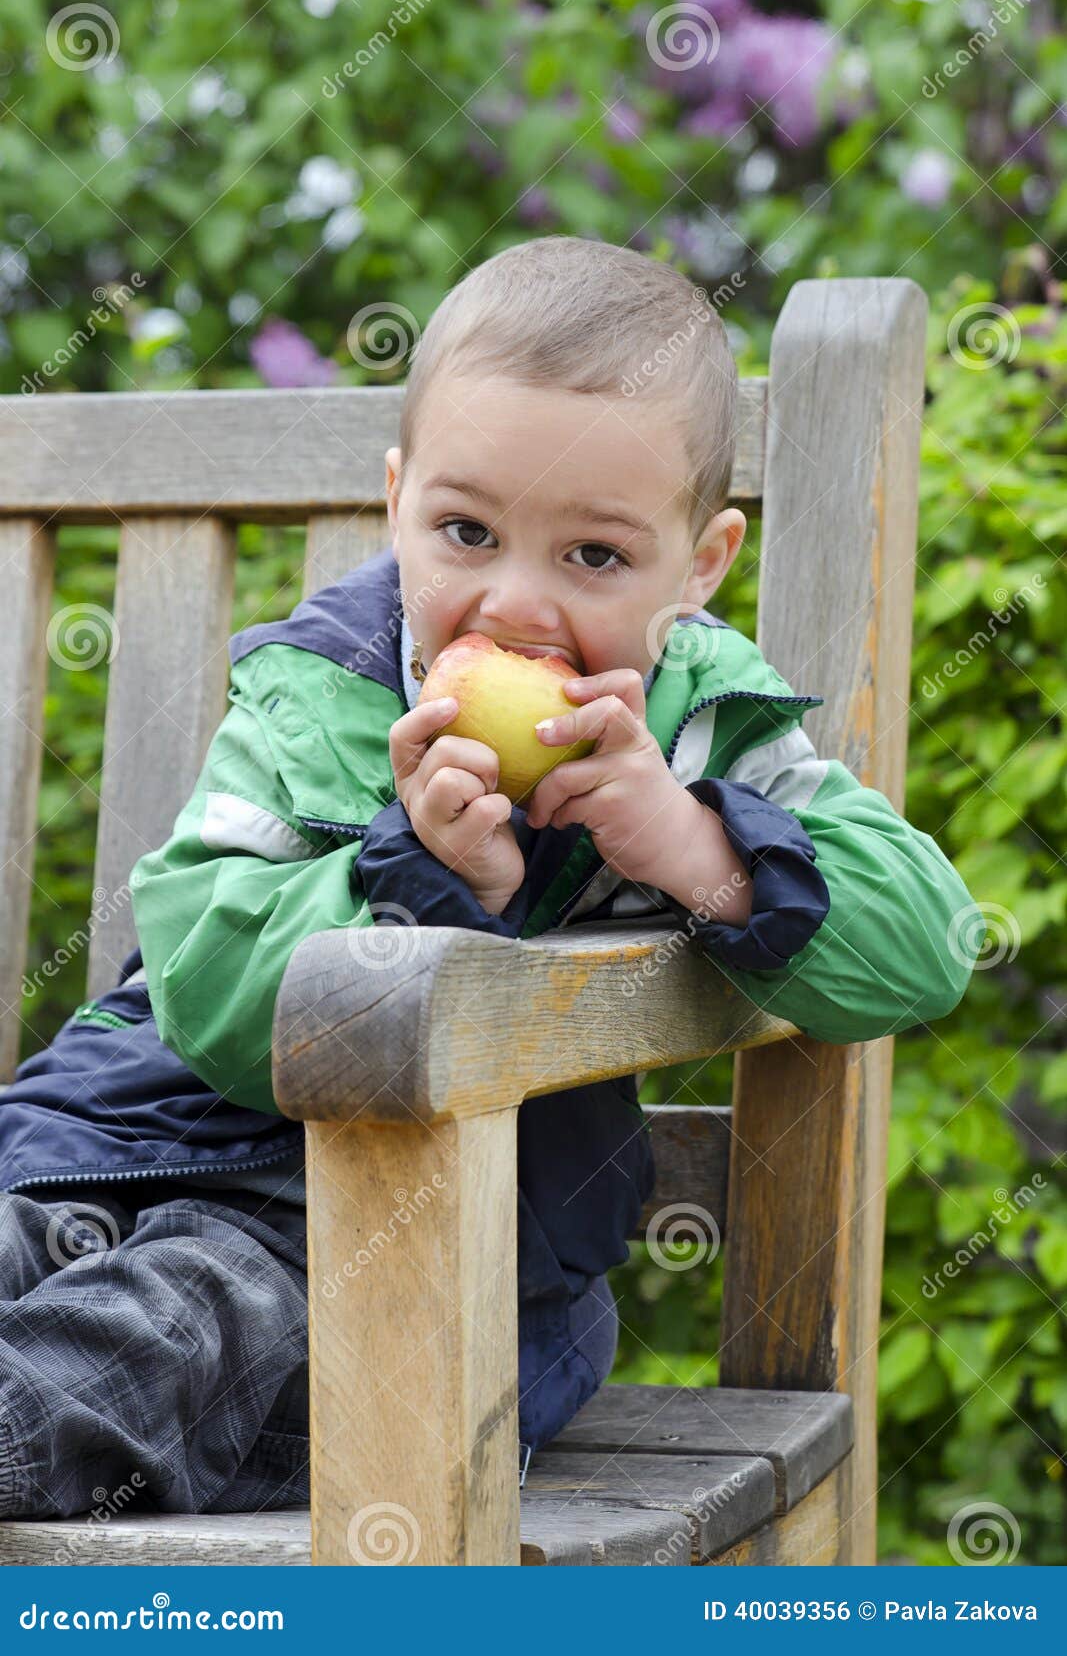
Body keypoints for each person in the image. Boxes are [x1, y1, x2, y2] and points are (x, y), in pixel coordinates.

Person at [0, 236, 982, 1522]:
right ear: (395, 501)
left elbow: (926, 944)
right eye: (466, 531)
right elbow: (203, 978)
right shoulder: (323, 694)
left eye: (592, 557)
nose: (511, 608)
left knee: (171, 1329)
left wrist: (692, 846)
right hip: (102, 1154)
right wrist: (410, 884)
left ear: (698, 565)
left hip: (422, 1266)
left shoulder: (701, 728)